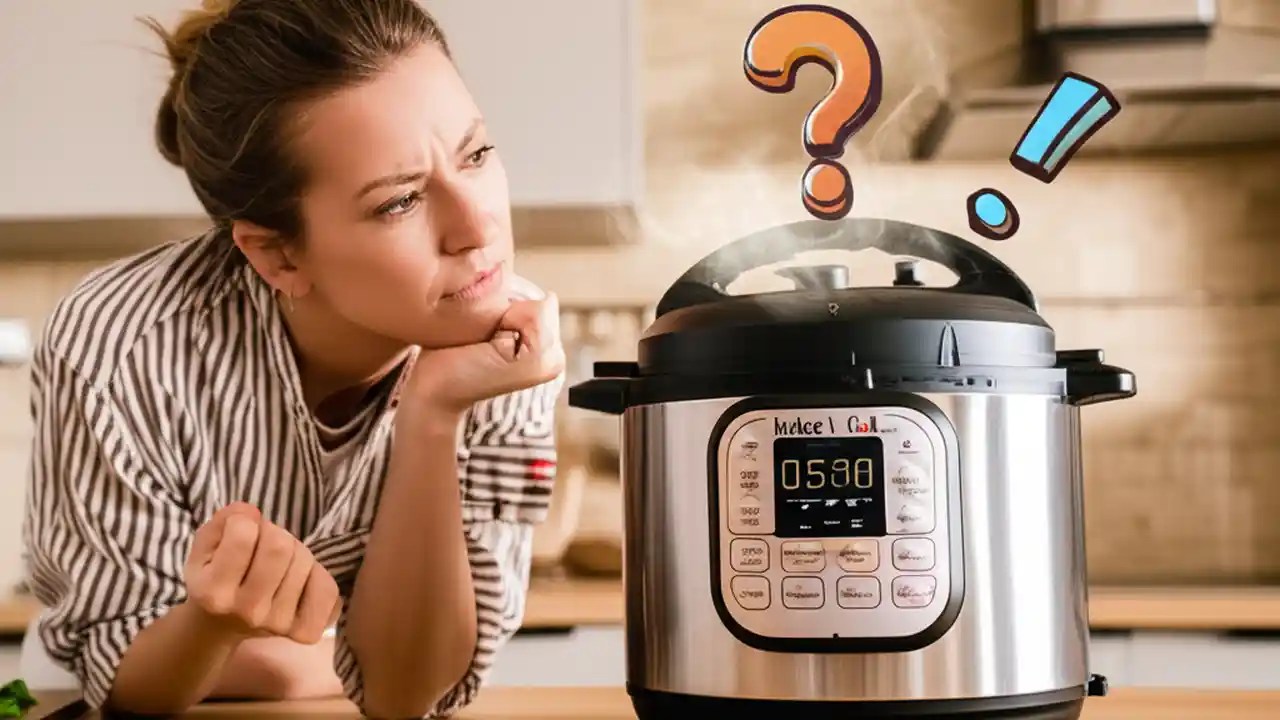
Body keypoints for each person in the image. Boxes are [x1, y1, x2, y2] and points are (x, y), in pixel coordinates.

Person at [19, 0, 566, 717]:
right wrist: (218, 627)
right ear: (277, 253)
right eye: (400, 202)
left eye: (477, 154)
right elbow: (128, 686)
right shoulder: (119, 343)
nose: (477, 227)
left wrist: (434, 414)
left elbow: (408, 694)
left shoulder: (505, 341)